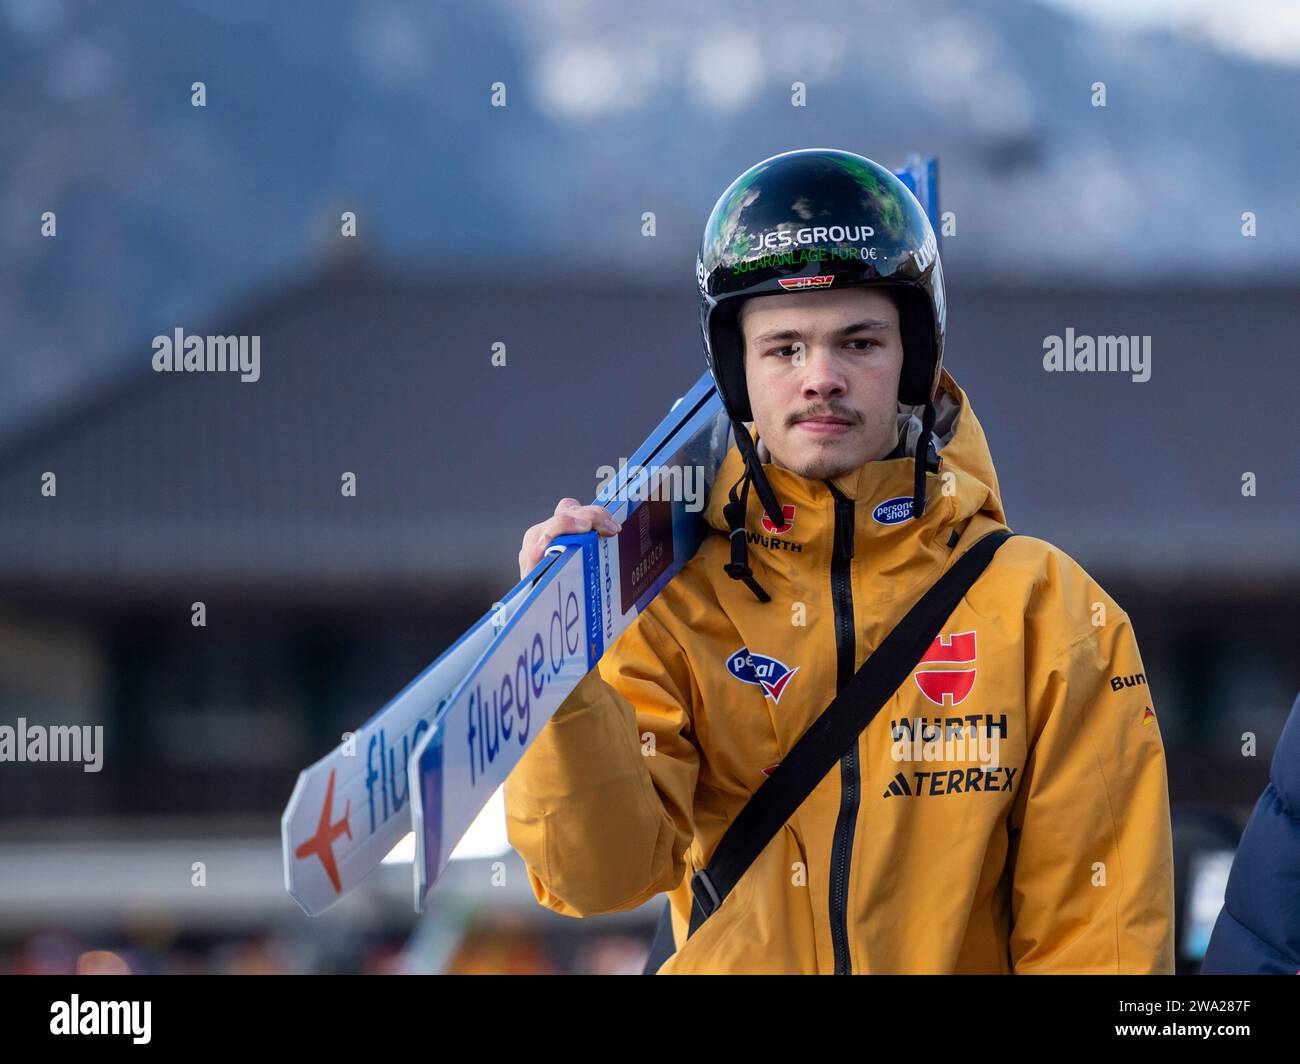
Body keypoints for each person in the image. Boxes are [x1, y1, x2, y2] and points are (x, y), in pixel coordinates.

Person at [505, 148, 1175, 974]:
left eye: (858, 342)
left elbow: (1097, 939)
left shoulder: (1053, 613)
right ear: (737, 374)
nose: (820, 378)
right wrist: (558, 669)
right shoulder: (677, 609)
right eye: (783, 348)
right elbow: (600, 875)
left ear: (914, 358)